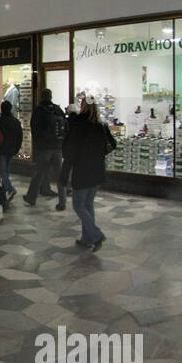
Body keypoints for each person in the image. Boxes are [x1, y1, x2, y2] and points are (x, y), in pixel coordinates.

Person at [66, 96, 114, 250]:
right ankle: (87, 239)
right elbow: (112, 144)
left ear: (82, 106)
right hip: (97, 170)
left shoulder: (79, 125)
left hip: (82, 170)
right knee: (88, 204)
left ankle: (96, 234)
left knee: (78, 205)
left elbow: (71, 147)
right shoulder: (100, 126)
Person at [25, 91, 67, 208]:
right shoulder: (57, 109)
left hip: (44, 148)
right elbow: (65, 126)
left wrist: (37, 144)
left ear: (41, 97)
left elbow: (34, 128)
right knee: (59, 175)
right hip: (57, 147)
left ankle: (31, 197)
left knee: (38, 173)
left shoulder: (39, 110)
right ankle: (62, 201)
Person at [0, 98, 24, 205]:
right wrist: (17, 149)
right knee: (6, 171)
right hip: (12, 150)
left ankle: (9, 189)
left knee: (2, 172)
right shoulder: (16, 122)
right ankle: (4, 192)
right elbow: (20, 137)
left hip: (1, 150)